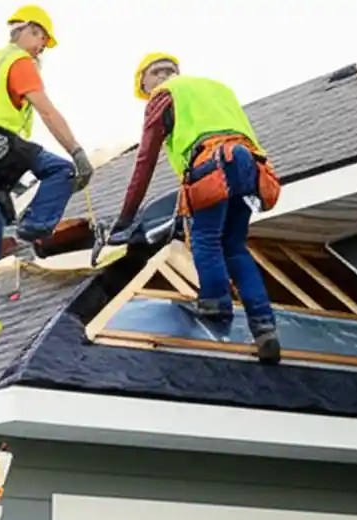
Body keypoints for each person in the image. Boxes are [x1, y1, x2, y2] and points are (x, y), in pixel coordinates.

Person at [113, 52, 282, 363]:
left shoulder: (163, 97)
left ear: (146, 83)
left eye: (158, 76)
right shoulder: (217, 89)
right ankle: (265, 328)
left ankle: (215, 306)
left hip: (211, 165)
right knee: (235, 247)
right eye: (156, 75)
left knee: (206, 239)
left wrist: (124, 219)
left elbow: (144, 162)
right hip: (250, 167)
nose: (158, 81)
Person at [0, 4, 94, 339]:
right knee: (62, 172)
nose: (41, 46)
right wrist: (78, 152)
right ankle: (34, 229)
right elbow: (47, 111)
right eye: (39, 36)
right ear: (22, 30)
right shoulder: (18, 62)